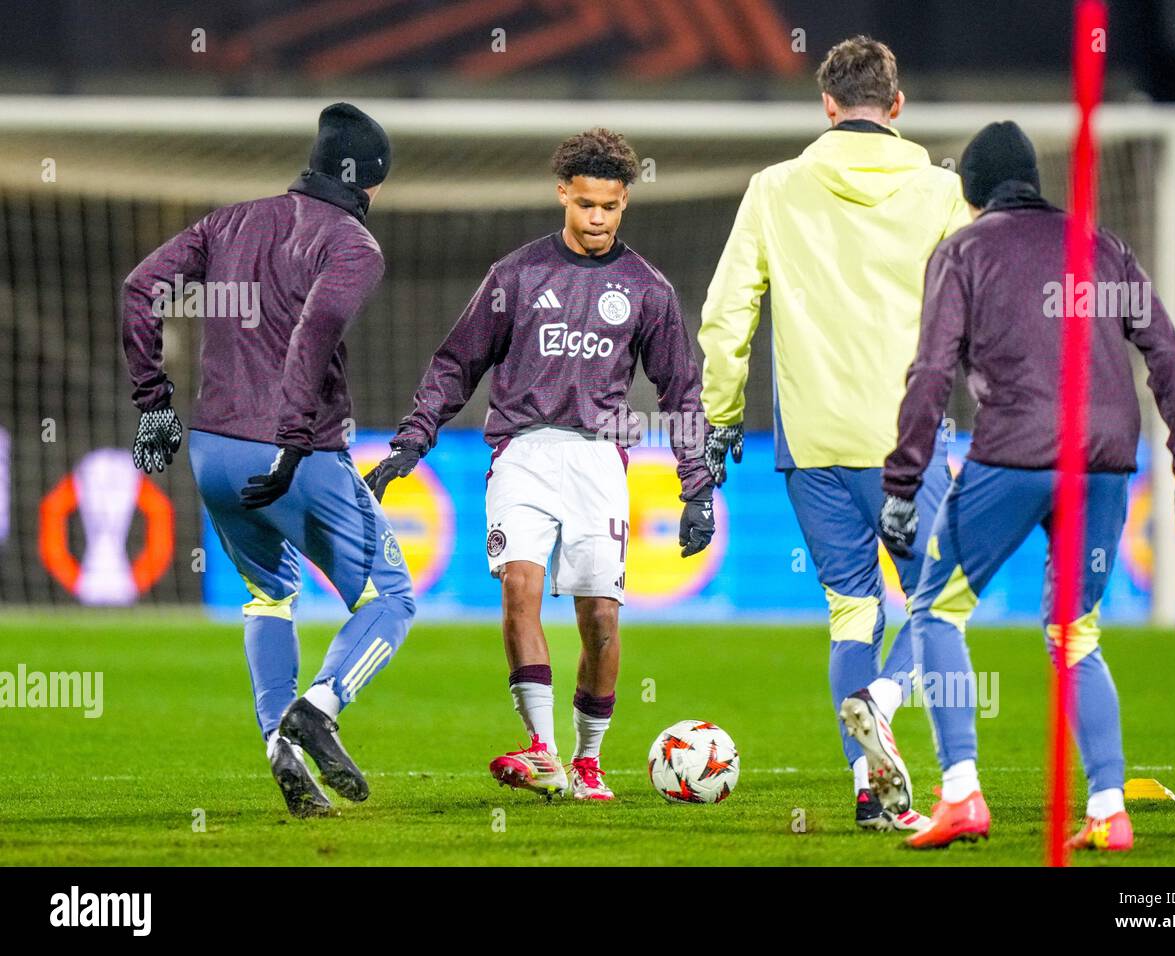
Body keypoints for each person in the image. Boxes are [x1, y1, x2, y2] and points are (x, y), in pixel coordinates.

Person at [865, 120, 1175, 849]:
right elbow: (1167, 356)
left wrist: (902, 481)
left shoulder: (962, 249)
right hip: (1107, 461)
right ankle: (1109, 809)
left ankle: (960, 792)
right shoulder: (1105, 246)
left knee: (935, 609)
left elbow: (930, 373)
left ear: (969, 189)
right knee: (1075, 632)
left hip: (1015, 457)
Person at [365, 128, 714, 801]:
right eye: (586, 205)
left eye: (610, 208)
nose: (597, 220)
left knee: (600, 619)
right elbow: (456, 362)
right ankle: (543, 751)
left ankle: (588, 760)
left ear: (625, 202)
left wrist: (695, 488)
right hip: (521, 452)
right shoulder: (516, 275)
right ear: (563, 194)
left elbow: (682, 393)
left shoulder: (646, 289)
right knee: (520, 587)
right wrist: (414, 440)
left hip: (599, 462)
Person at [697, 35, 969, 831]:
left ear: (825, 104)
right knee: (943, 598)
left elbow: (724, 316)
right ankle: (885, 703)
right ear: (897, 106)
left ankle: (865, 784)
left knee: (852, 611)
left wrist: (719, 418)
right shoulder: (941, 190)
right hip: (908, 442)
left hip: (811, 443)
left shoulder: (774, 188)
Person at [122, 103, 414, 817]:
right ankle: (319, 707)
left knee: (269, 594)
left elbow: (140, 291)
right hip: (294, 452)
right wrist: (289, 436)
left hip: (213, 450)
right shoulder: (354, 246)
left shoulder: (228, 222)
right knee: (392, 598)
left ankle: (278, 747)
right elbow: (313, 334)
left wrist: (154, 402)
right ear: (370, 183)